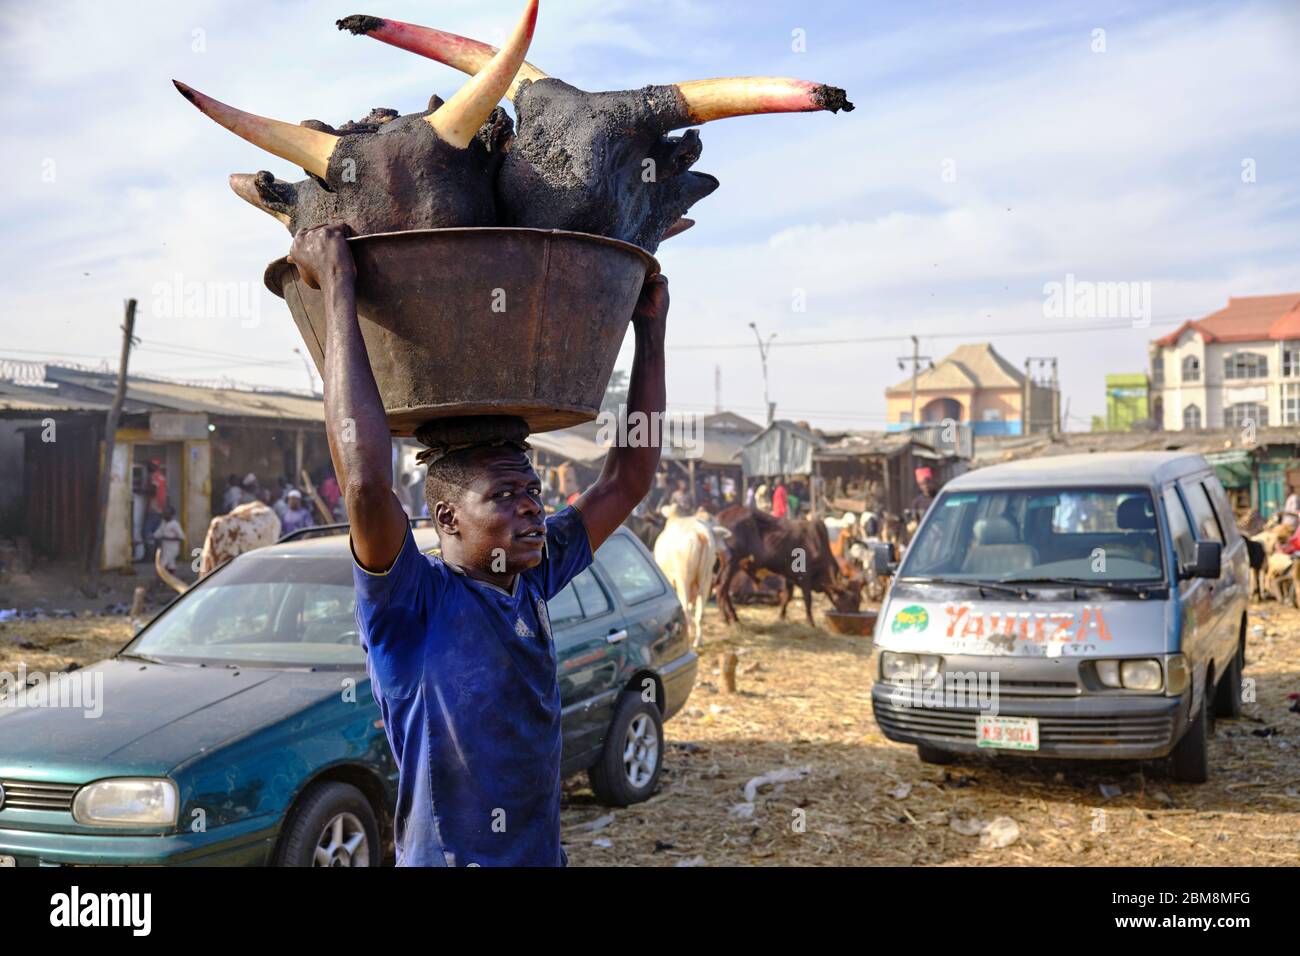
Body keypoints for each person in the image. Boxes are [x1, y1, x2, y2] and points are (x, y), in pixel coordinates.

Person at [290, 223, 668, 868]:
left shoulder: (533, 575)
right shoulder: (410, 601)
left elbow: (628, 476)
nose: (533, 506)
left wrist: (650, 332)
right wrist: (340, 291)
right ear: (446, 518)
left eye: (534, 490)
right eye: (506, 496)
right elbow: (365, 483)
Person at [152, 505, 185, 572]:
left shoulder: (175, 524)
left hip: (172, 549)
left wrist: (167, 538)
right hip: (165, 548)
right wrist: (153, 536)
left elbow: (182, 537)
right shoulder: (163, 523)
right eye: (164, 513)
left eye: (166, 513)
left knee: (161, 565)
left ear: (171, 514)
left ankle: (157, 581)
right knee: (171, 565)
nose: (164, 514)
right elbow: (159, 532)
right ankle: (170, 580)